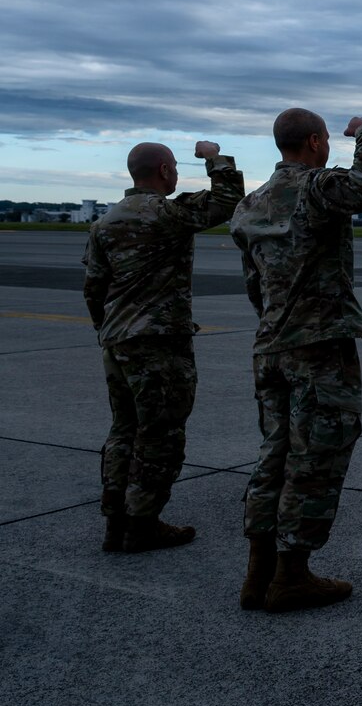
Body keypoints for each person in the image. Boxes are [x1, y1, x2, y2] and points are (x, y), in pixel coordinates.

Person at [231, 107, 362, 613]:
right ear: (318, 141)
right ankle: (292, 575)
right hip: (319, 348)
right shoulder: (318, 188)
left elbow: (255, 282)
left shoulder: (252, 203)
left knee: (273, 454)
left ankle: (258, 573)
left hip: (271, 345)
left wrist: (276, 322)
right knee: (316, 457)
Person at [83, 140, 244, 553]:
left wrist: (109, 330)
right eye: (173, 168)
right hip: (158, 343)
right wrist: (214, 157)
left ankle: (114, 521)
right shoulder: (167, 213)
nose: (175, 174)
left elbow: (94, 287)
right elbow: (227, 201)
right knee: (162, 435)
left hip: (117, 343)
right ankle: (143, 524)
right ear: (163, 169)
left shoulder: (105, 223)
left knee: (124, 430)